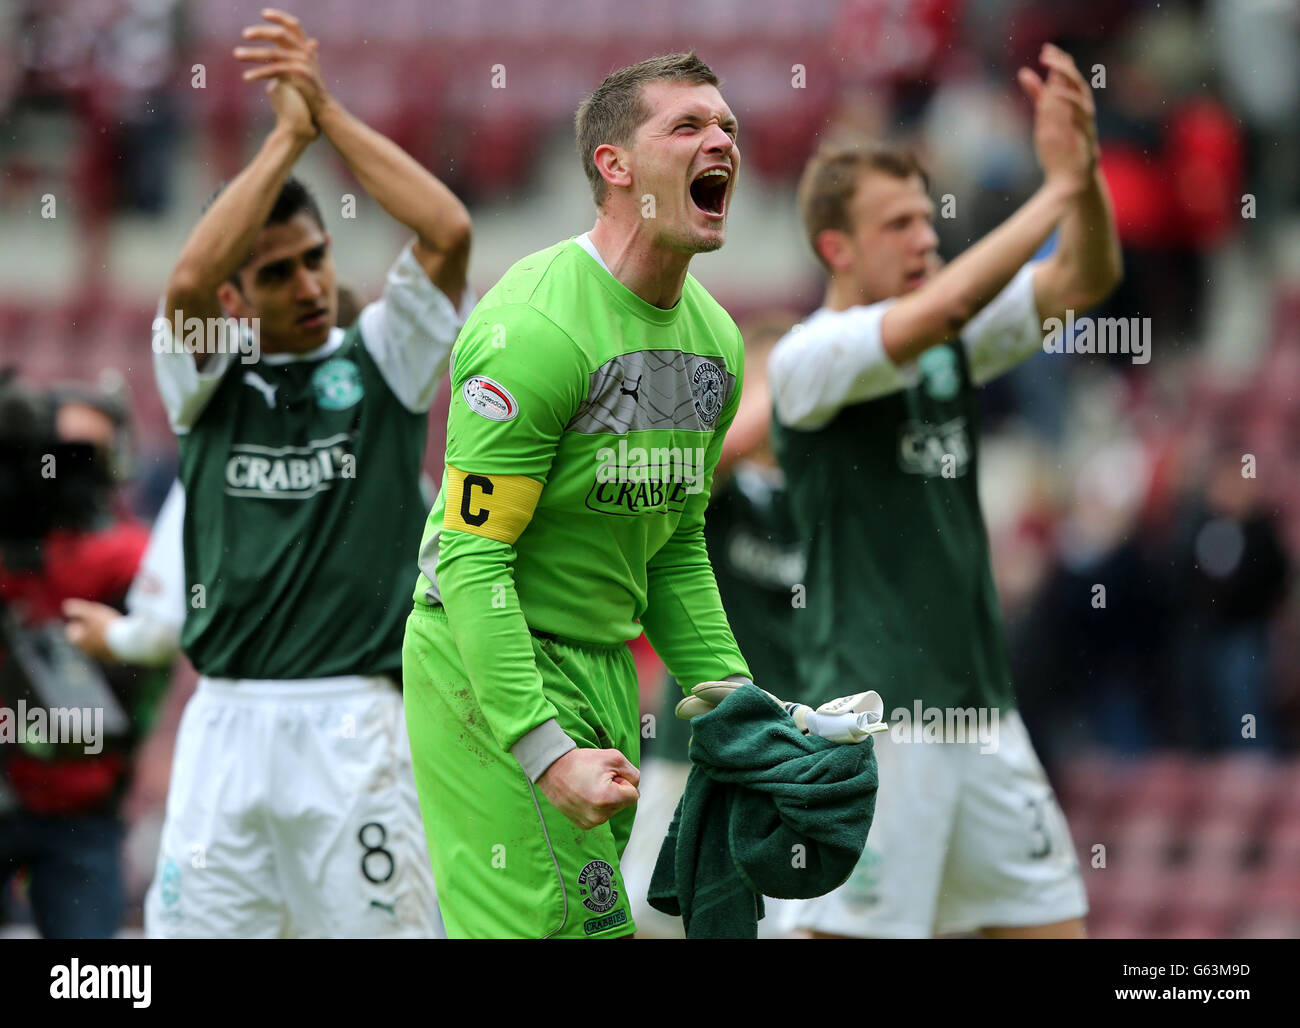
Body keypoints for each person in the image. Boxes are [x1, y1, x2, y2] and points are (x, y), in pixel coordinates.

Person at [768, 44, 1122, 939]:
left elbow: (1085, 279)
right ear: (834, 247)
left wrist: (1083, 181)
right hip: (878, 724)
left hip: (984, 717)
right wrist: (1051, 189)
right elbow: (947, 308)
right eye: (899, 226)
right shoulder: (814, 357)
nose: (927, 238)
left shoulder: (945, 348)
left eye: (928, 220)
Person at [402, 51, 755, 939]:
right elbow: (470, 553)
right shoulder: (534, 328)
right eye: (688, 127)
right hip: (490, 665)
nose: (720, 141)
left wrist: (736, 702)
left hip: (604, 672)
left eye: (728, 129)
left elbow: (672, 544)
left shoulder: (718, 344)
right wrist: (540, 746)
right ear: (615, 167)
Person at [143, 8, 472, 938]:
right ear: (236, 299)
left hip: (353, 727)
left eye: (318, 259)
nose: (310, 284)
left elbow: (446, 231)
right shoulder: (206, 377)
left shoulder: (382, 362)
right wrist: (282, 140)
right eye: (279, 273)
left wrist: (323, 116)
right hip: (225, 726)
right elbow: (182, 285)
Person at [620, 313, 807, 938]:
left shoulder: (831, 494)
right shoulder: (714, 487)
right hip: (694, 755)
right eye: (769, 383)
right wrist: (777, 392)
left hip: (794, 764)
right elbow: (707, 463)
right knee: (648, 925)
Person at [0, 380, 152, 937]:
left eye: (83, 455)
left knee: (88, 980)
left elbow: (152, 587)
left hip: (82, 811)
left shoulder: (127, 553)